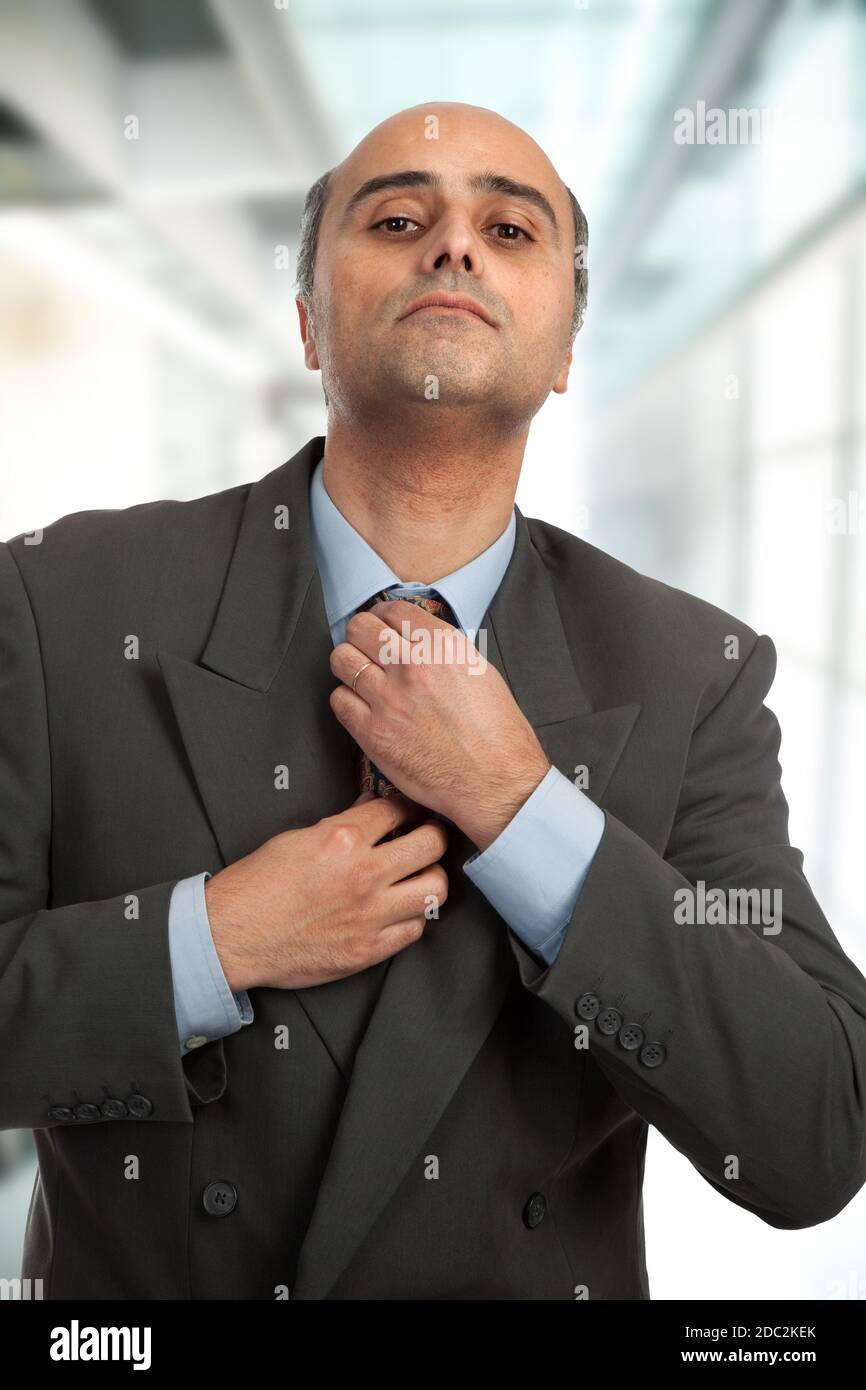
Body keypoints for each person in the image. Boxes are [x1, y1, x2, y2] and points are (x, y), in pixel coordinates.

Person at [3, 102, 865, 1301]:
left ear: (566, 350)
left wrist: (519, 809)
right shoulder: (57, 604)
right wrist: (215, 940)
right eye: (399, 218)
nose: (452, 245)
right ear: (307, 320)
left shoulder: (692, 672)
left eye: (509, 229)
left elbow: (813, 1129)